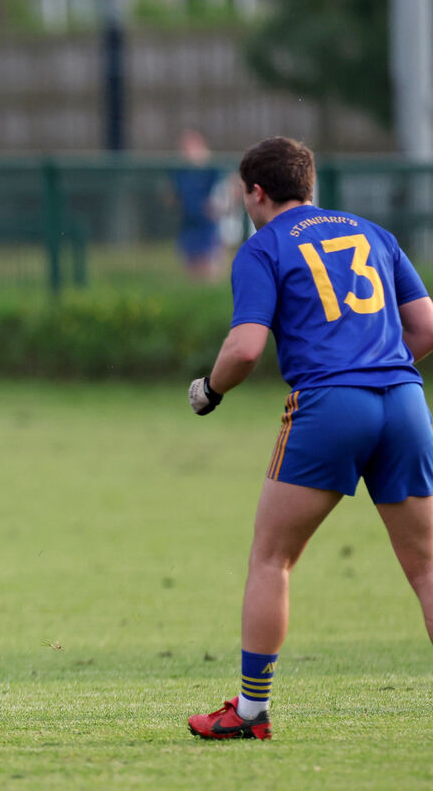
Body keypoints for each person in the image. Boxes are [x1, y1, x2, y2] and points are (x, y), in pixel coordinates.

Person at [186, 136, 433, 740]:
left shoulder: (263, 246)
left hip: (329, 405)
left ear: (257, 191)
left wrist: (210, 391)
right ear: (311, 185)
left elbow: (244, 348)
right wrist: (379, 364)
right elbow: (424, 324)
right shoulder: (373, 233)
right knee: (427, 566)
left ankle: (249, 713)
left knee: (273, 557)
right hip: (404, 399)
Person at [168, 128, 226, 283]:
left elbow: (225, 190)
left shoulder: (213, 169)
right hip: (188, 223)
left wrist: (217, 206)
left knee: (209, 266)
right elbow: (173, 195)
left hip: (207, 225)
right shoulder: (180, 171)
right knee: (191, 267)